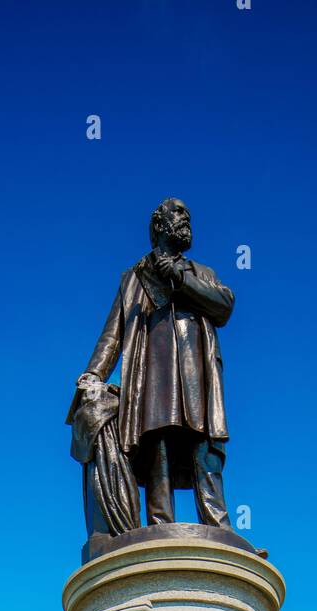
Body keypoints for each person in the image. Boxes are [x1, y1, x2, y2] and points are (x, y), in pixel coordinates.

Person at [68, 198, 236, 530]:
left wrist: (180, 279)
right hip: (152, 373)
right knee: (157, 445)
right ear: (158, 226)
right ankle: (161, 528)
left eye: (188, 216)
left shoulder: (201, 273)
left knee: (204, 448)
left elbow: (224, 306)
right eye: (179, 215)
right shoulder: (133, 278)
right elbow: (112, 334)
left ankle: (220, 528)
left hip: (195, 372)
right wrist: (93, 373)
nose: (186, 220)